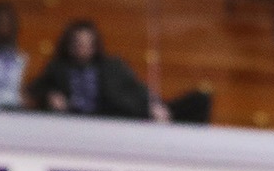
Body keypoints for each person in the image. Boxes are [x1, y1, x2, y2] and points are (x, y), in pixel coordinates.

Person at [27, 19, 169, 121]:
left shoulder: (112, 67)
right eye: (78, 43)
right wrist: (49, 96)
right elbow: (36, 89)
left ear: (95, 45)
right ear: (69, 44)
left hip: (108, 121)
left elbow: (137, 88)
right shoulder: (58, 68)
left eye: (87, 43)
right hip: (71, 123)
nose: (82, 48)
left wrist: (154, 105)